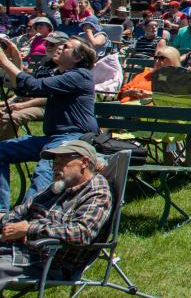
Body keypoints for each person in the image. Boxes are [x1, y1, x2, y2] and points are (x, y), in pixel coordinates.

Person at [0, 36, 98, 213]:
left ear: (77, 58)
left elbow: (34, 86)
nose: (59, 47)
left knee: (46, 166)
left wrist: (5, 62)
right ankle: (1, 212)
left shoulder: (79, 76)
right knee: (1, 151)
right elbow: (24, 88)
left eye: (66, 47)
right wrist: (15, 57)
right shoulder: (60, 74)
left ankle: (26, 218)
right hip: (53, 138)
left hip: (75, 137)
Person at [0, 140, 112, 289]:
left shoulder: (97, 192)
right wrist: (11, 227)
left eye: (62, 160)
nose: (55, 166)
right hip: (21, 250)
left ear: (84, 162)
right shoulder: (59, 186)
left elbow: (82, 233)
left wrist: (29, 229)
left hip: (49, 263)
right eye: (54, 161)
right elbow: (20, 211)